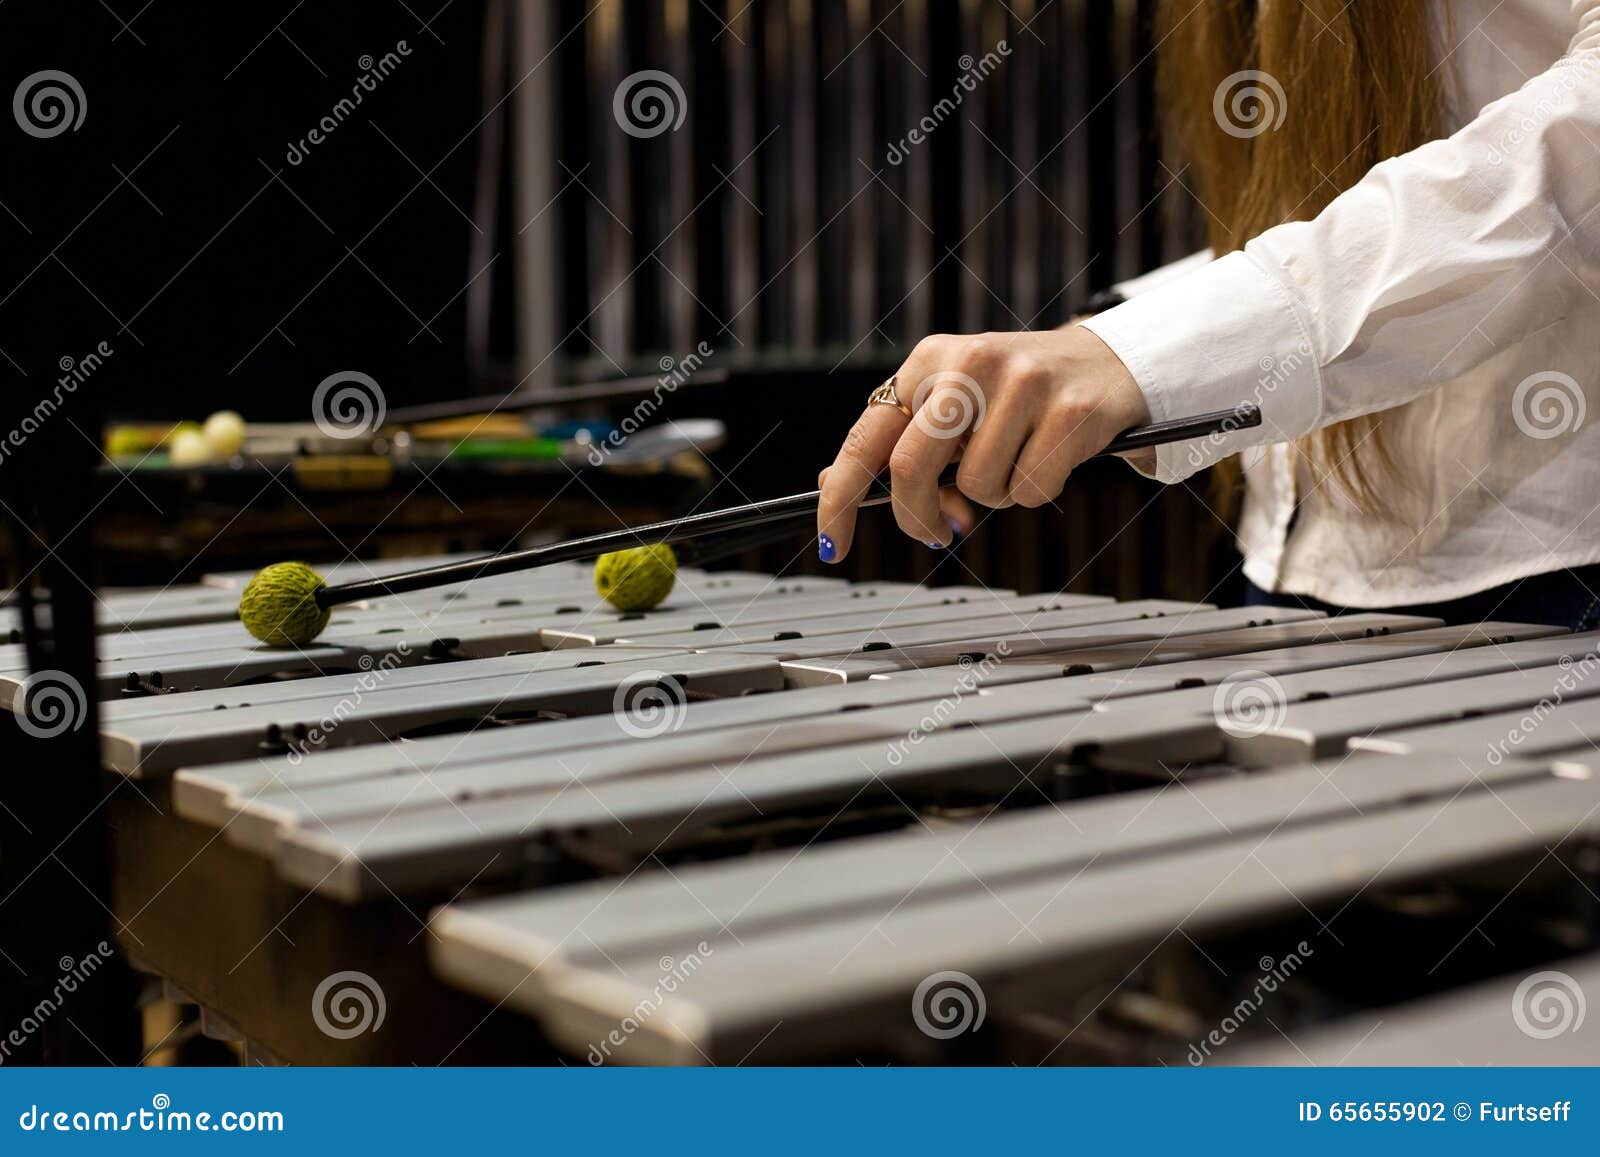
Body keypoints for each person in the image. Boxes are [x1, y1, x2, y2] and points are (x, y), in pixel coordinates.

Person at [816, 0, 1600, 630]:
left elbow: (1579, 154)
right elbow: (1324, 216)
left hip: (1554, 573)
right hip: (1290, 567)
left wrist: (1144, 355)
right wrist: (1107, 337)